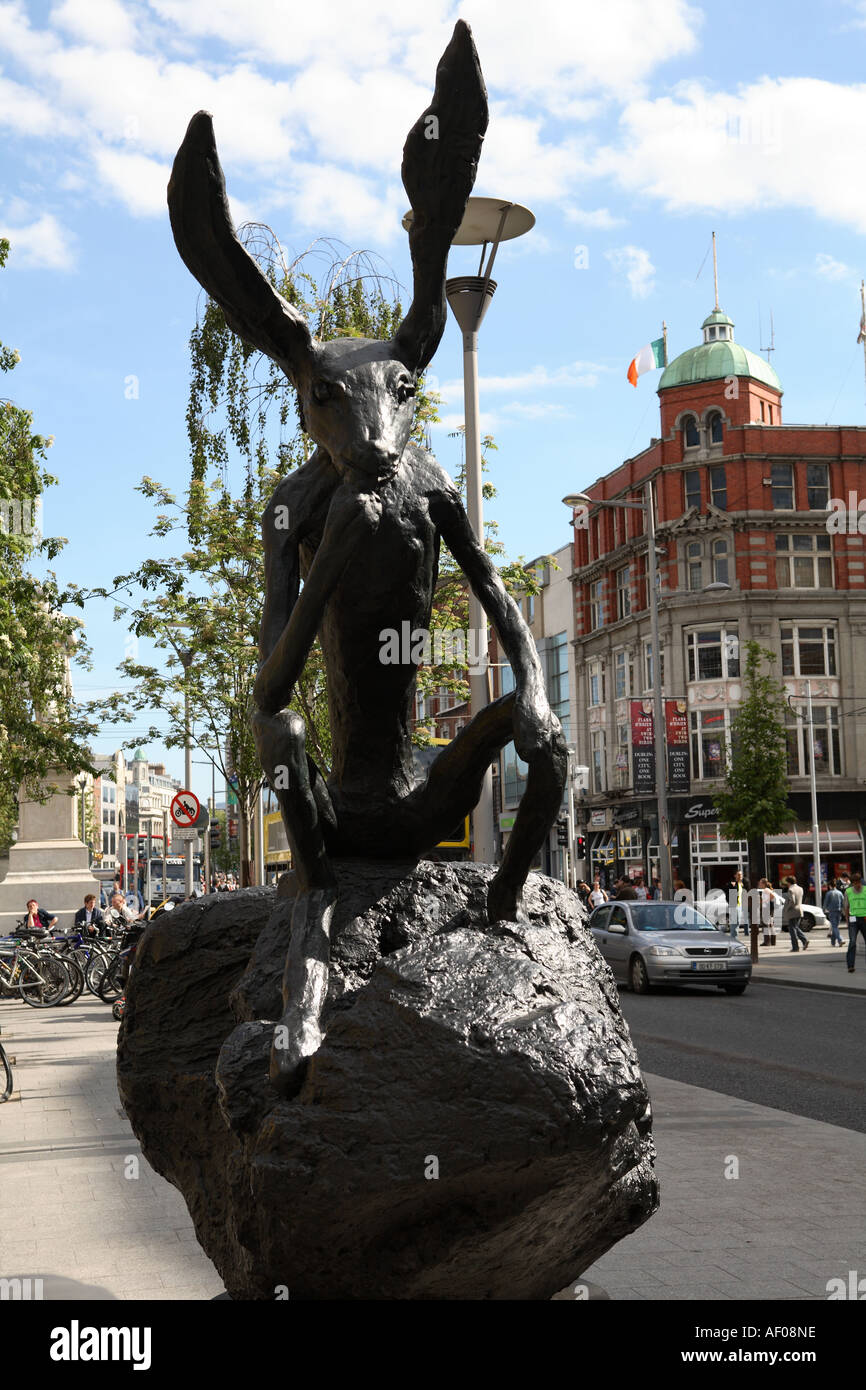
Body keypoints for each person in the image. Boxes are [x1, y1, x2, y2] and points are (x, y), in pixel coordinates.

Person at [844, 871, 866, 973]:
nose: (857, 885)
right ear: (852, 883)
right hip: (853, 919)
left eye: (858, 883)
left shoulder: (865, 890)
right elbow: (846, 907)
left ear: (860, 882)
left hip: (865, 918)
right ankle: (850, 966)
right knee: (852, 942)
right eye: (855, 883)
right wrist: (848, 921)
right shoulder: (848, 892)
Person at [781, 875, 809, 952]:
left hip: (792, 911)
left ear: (788, 882)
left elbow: (792, 901)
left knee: (792, 929)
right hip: (799, 909)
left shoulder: (791, 889)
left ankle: (795, 947)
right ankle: (804, 940)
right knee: (795, 927)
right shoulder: (800, 888)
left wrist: (786, 908)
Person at [727, 869, 748, 939]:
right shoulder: (733, 884)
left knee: (738, 922)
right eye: (738, 874)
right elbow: (728, 894)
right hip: (734, 906)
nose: (740, 876)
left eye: (741, 875)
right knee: (734, 923)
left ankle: (734, 938)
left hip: (740, 905)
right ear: (735, 875)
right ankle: (733, 939)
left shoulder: (741, 884)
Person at [823, 880, 844, 947]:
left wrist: (823, 910)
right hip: (839, 911)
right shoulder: (840, 893)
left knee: (834, 927)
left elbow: (825, 903)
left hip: (832, 911)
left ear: (830, 886)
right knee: (835, 927)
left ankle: (840, 940)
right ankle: (833, 942)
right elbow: (843, 902)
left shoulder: (829, 893)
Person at [757, 878, 777, 946]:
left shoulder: (766, 890)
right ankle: (772, 942)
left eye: (760, 883)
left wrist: (764, 901)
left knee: (766, 925)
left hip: (766, 909)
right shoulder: (767, 890)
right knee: (770, 925)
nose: (759, 884)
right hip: (769, 909)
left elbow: (772, 896)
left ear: (763, 884)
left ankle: (767, 942)